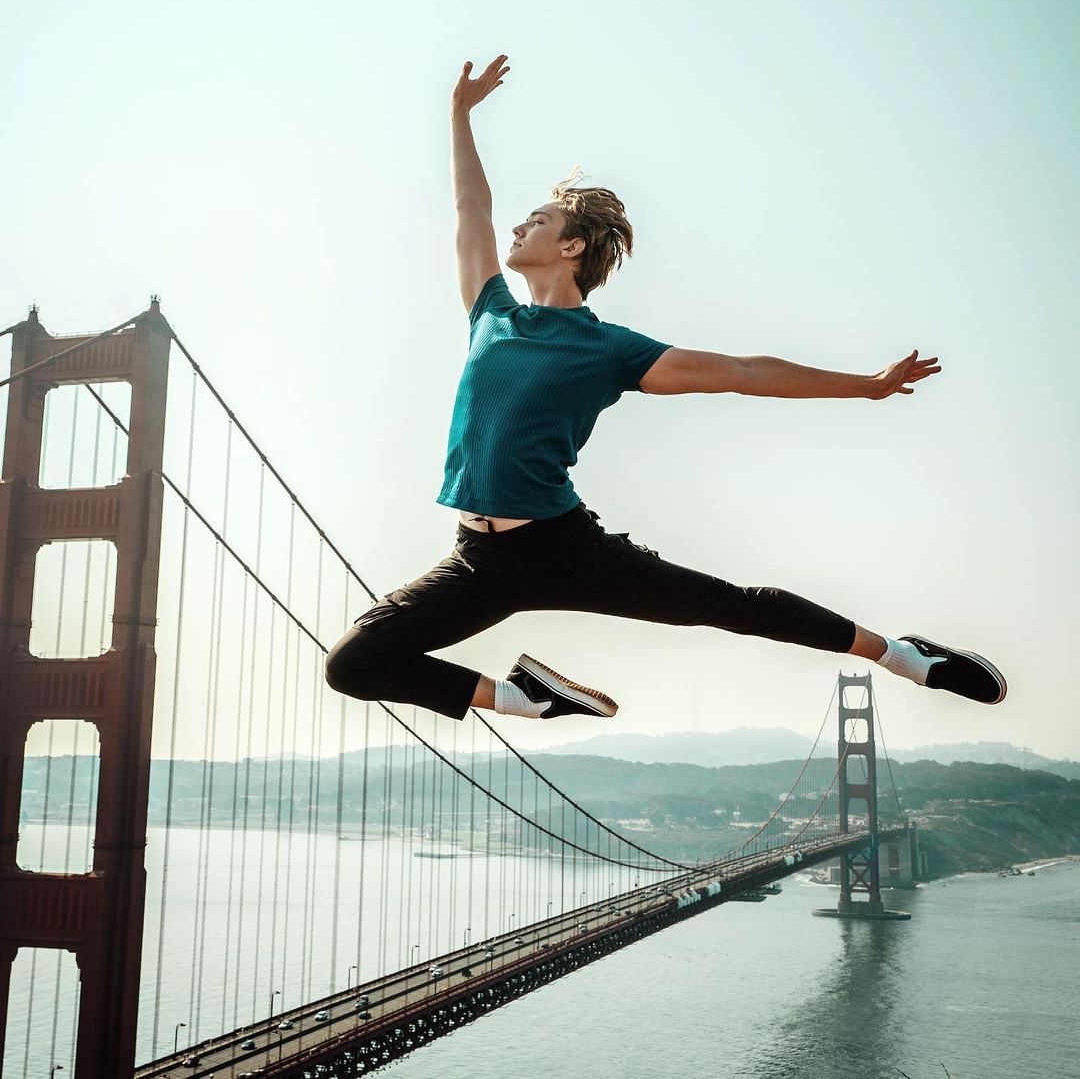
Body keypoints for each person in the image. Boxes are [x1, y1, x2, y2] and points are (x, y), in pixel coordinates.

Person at [325, 55, 1007, 722]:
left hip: (564, 549)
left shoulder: (609, 349)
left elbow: (743, 373)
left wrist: (866, 386)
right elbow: (471, 202)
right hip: (479, 559)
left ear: (570, 248)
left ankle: (905, 657)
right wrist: (459, 113)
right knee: (352, 665)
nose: (516, 227)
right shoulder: (491, 311)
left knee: (734, 607)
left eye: (536, 220)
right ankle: (527, 699)